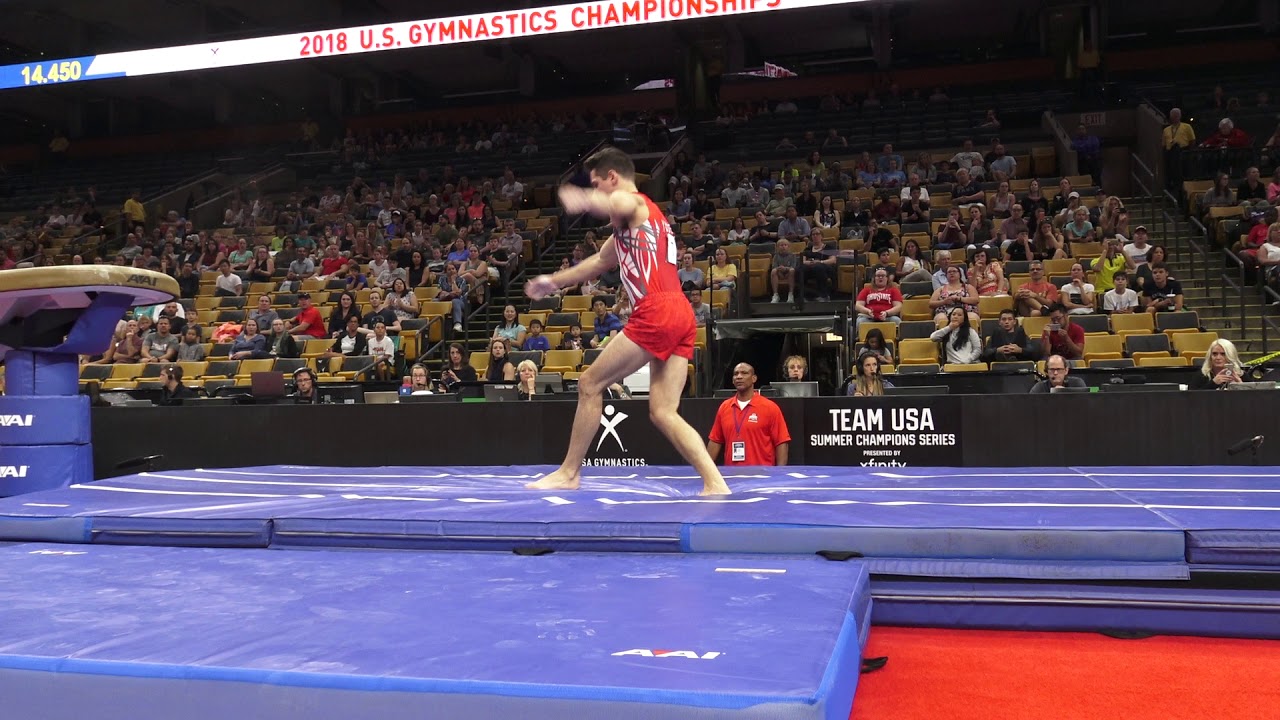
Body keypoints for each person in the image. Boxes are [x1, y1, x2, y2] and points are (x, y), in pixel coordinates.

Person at [523, 147, 730, 495]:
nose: (597, 191)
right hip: (680, 314)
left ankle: (569, 473)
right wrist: (553, 282)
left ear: (612, 178)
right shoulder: (640, 223)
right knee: (663, 411)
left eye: (597, 184)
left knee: (589, 384)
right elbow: (599, 262)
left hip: (657, 310)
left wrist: (584, 198)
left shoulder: (634, 203)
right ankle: (715, 483)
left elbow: (619, 202)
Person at [706, 363, 791, 467]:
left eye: (744, 373)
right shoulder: (724, 407)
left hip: (762, 473)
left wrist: (780, 472)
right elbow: (715, 441)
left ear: (754, 378)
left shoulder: (770, 407)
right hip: (732, 473)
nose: (739, 376)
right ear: (732, 380)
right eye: (736, 374)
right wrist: (704, 469)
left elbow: (781, 442)